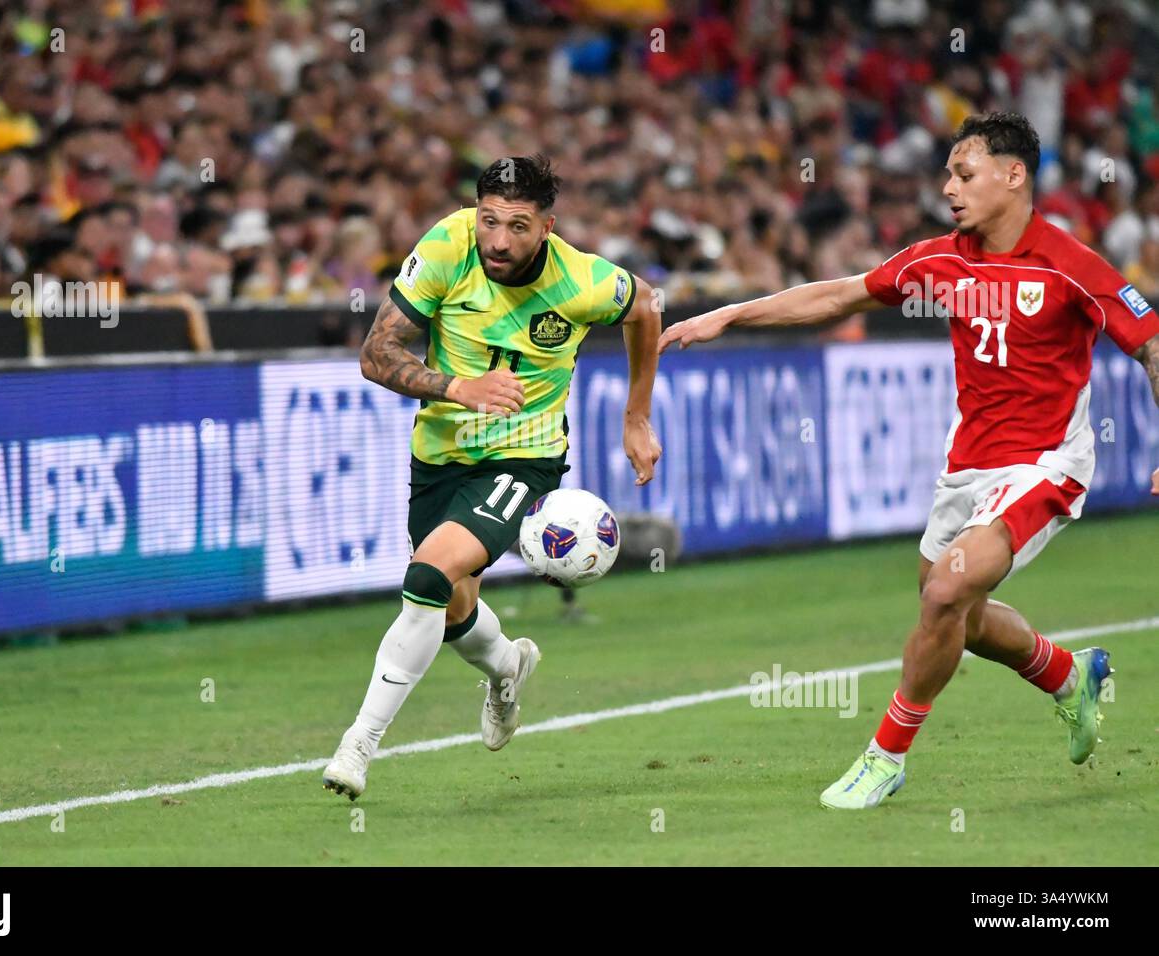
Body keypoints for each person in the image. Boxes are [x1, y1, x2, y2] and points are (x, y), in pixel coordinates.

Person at [659, 112, 1159, 810]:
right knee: (961, 613)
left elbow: (1151, 343)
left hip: (1047, 464)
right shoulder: (941, 260)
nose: (948, 187)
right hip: (968, 465)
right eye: (948, 174)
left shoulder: (1072, 267)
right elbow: (840, 293)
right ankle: (1071, 676)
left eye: (964, 173)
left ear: (1014, 176)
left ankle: (884, 756)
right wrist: (732, 314)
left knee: (946, 592)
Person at [323, 155, 663, 800]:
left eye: (518, 226)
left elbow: (647, 307)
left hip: (523, 455)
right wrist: (459, 387)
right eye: (489, 222)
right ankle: (508, 665)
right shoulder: (448, 246)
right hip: (440, 453)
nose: (499, 240)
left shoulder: (585, 281)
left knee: (425, 577)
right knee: (452, 608)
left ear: (547, 227)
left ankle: (358, 746)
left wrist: (636, 417)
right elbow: (376, 354)